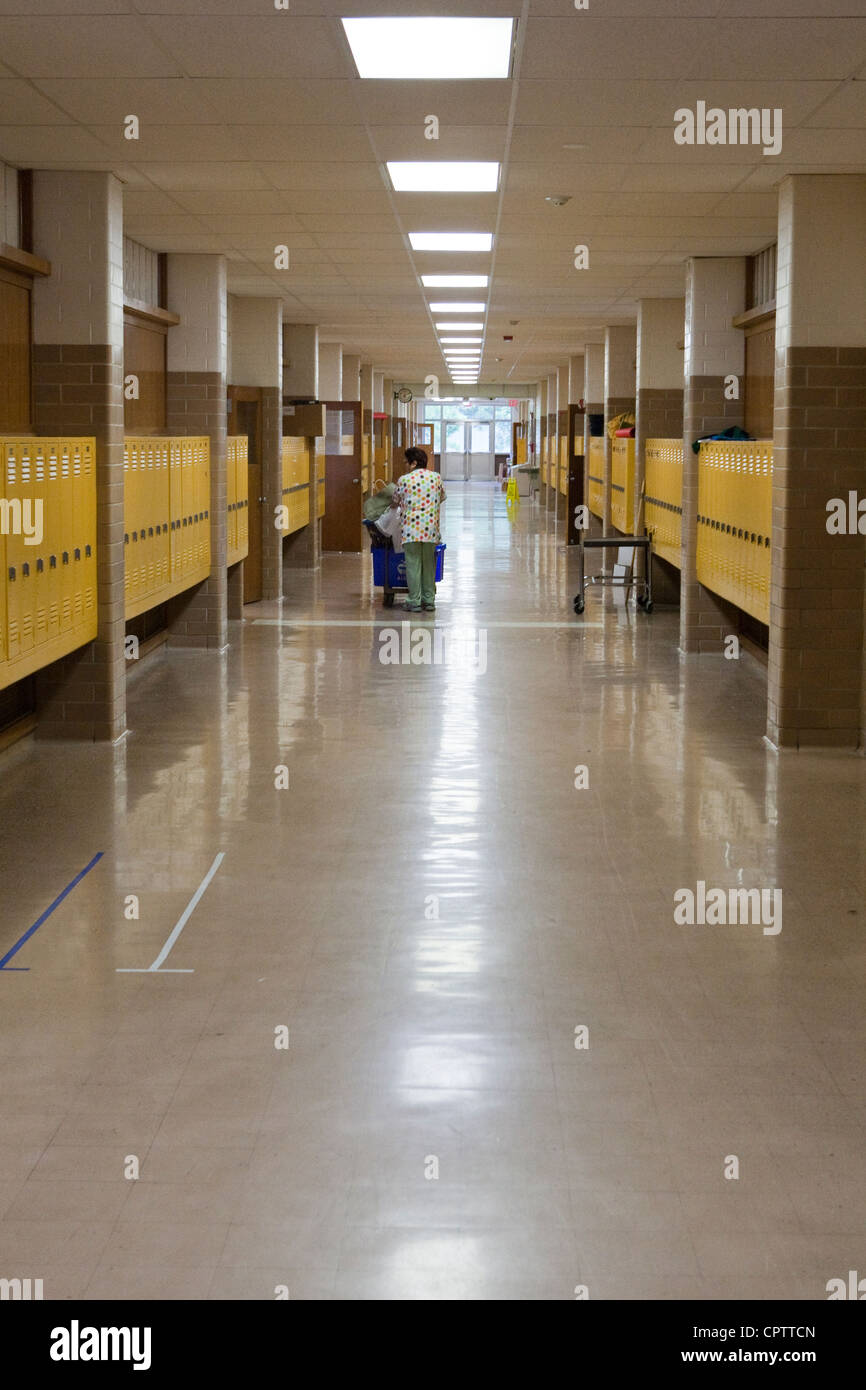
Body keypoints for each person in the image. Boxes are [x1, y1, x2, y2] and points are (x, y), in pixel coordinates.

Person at [391, 446, 446, 612]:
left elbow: (395, 500)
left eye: (407, 462)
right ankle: (429, 600)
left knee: (413, 565)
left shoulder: (404, 480)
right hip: (430, 529)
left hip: (411, 530)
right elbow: (442, 497)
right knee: (429, 565)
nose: (406, 465)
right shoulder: (436, 478)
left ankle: (414, 601)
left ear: (414, 463)